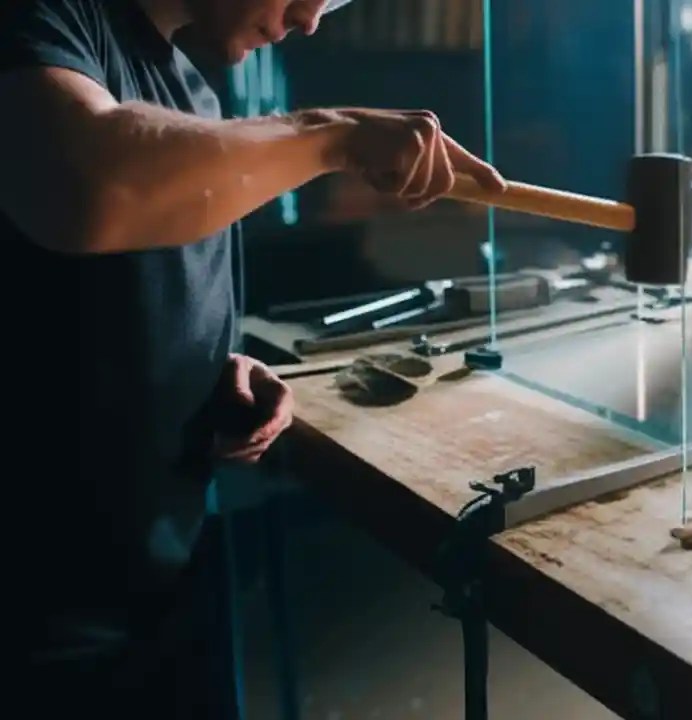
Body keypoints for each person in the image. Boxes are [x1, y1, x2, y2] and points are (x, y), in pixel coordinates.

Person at [0, 0, 506, 715]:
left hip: (166, 583)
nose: (310, 19)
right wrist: (334, 135)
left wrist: (210, 369)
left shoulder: (192, 95)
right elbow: (89, 187)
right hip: (34, 611)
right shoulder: (41, 21)